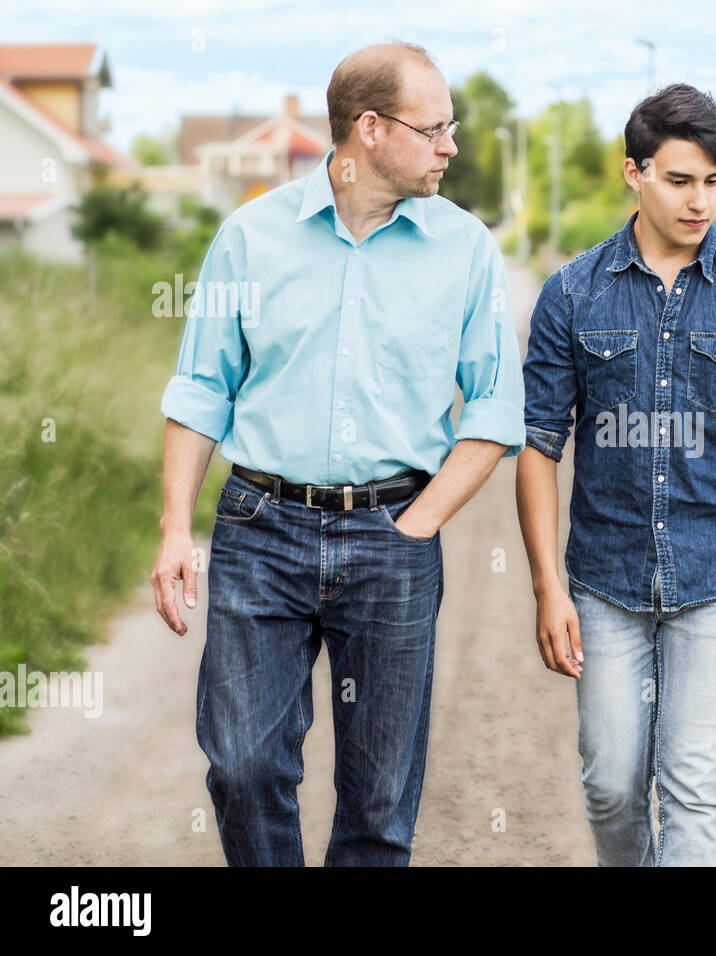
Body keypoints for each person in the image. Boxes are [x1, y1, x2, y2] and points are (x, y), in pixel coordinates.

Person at [151, 41, 524, 866]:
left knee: (380, 801)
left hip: (395, 535)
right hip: (260, 528)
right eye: (434, 128)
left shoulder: (465, 250)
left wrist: (419, 522)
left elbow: (498, 408)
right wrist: (177, 528)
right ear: (370, 129)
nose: (450, 146)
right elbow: (200, 391)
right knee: (246, 767)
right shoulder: (250, 238)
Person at [516, 84, 716, 866]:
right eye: (680, 180)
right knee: (612, 785)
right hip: (605, 582)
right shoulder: (572, 294)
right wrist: (547, 588)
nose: (700, 201)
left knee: (691, 789)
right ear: (633, 174)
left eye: (713, 181)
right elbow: (537, 448)